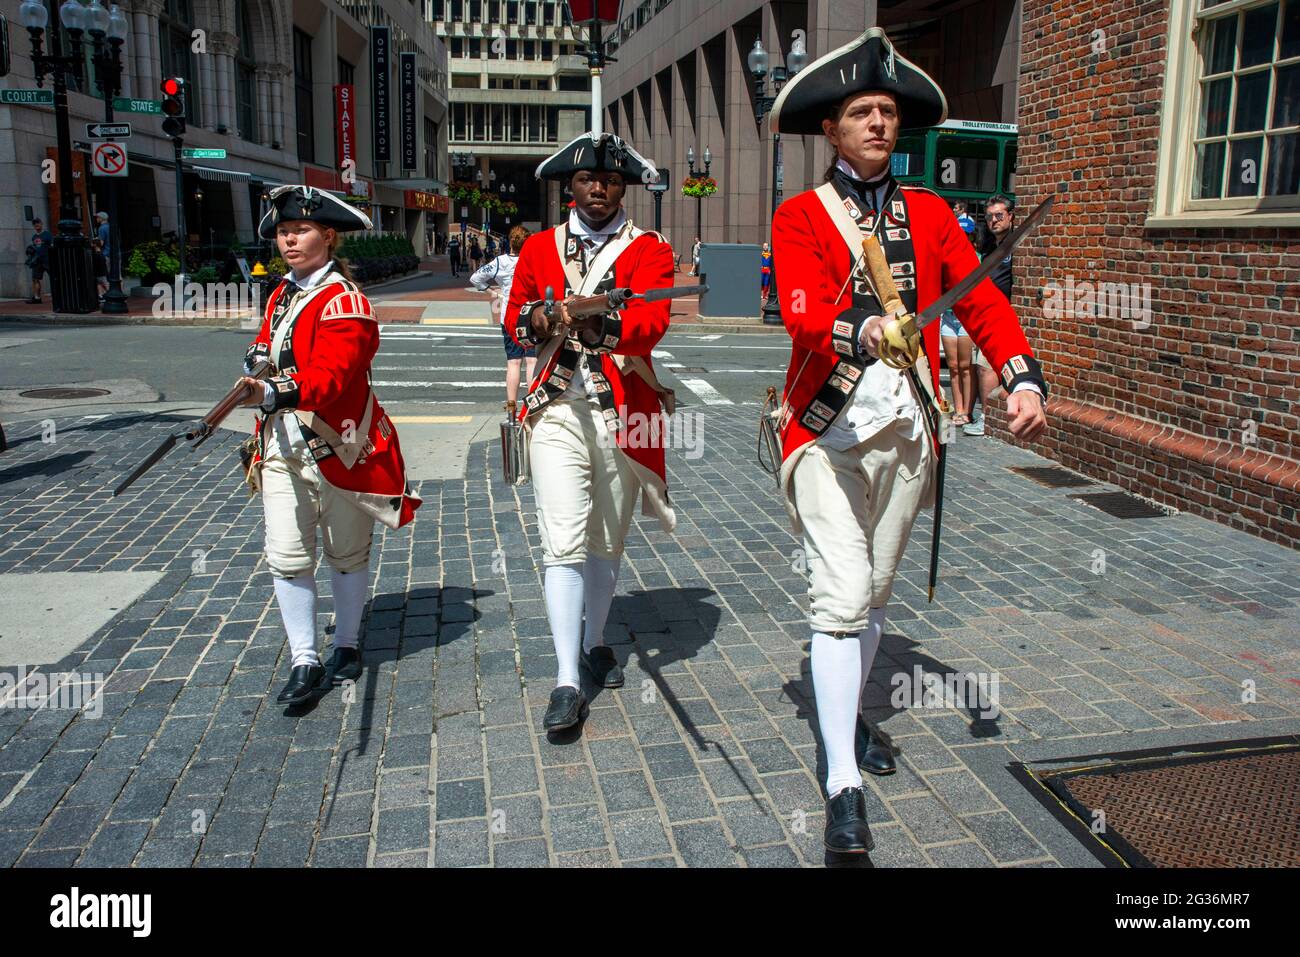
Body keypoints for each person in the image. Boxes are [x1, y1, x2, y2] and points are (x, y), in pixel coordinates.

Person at [768, 25, 1048, 854]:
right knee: (842, 593)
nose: (879, 124)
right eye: (862, 112)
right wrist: (861, 331)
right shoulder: (800, 215)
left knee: (877, 593)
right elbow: (801, 309)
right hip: (824, 430)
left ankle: (850, 721)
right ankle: (841, 785)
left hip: (908, 430)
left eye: (887, 112)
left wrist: (1022, 374)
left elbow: (980, 301)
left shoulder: (930, 214)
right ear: (832, 129)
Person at [505, 130, 677, 734]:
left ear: (622, 186)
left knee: (607, 538)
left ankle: (596, 639)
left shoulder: (649, 249)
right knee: (561, 539)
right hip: (556, 410)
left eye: (608, 179)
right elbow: (516, 315)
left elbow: (650, 322)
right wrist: (541, 316)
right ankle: (565, 679)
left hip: (622, 410)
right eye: (586, 179)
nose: (597, 188)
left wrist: (595, 319)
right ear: (569, 187)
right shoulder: (539, 249)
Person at [235, 185, 423, 707]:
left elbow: (333, 377)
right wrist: (255, 364)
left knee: (346, 553)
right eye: (283, 232)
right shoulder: (281, 294)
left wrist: (274, 389)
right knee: (287, 555)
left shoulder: (347, 301)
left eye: (301, 230)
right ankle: (303, 658)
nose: (289, 240)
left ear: (329, 236)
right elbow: (266, 342)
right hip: (280, 444)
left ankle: (345, 644)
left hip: (341, 445)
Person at [965, 193, 1017, 436]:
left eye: (999, 215)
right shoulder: (990, 249)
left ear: (1010, 217)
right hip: (984, 315)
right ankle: (985, 415)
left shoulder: (1016, 245)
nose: (994, 221)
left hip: (1001, 317)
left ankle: (987, 419)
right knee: (979, 366)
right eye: (989, 217)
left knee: (987, 368)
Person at [471, 225, 536, 408]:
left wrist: (493, 292)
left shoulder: (500, 262)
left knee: (513, 362)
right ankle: (532, 404)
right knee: (532, 360)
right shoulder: (533, 260)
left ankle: (511, 405)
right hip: (531, 314)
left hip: (509, 314)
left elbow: (476, 278)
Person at [940, 218, 980, 426]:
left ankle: (968, 410)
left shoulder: (978, 258)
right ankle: (958, 408)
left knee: (966, 366)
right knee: (953, 366)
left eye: (967, 235)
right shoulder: (945, 258)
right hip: (948, 315)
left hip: (965, 317)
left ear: (973, 237)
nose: (964, 238)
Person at [26, 218, 52, 304]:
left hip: (47, 260)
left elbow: (52, 246)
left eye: (38, 223)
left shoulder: (47, 234)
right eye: (34, 224)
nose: (36, 225)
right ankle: (37, 298)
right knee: (35, 279)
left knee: (54, 278)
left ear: (41, 224)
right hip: (37, 261)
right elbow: (35, 247)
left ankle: (58, 297)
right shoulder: (34, 237)